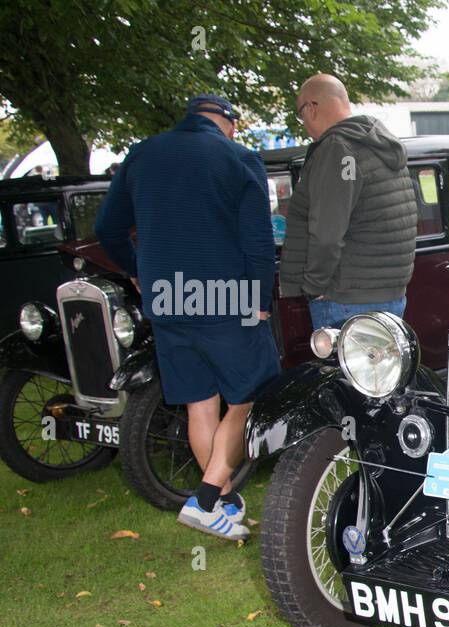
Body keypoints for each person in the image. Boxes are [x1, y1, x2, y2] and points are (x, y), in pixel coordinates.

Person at [95, 94, 278, 541]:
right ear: (226, 122)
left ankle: (224, 503)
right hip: (226, 297)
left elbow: (107, 229)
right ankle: (205, 501)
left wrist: (136, 269)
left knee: (200, 400)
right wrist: (259, 296)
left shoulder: (142, 153)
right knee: (254, 396)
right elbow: (258, 241)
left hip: (166, 298)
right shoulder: (238, 158)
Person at [279, 74, 417, 329]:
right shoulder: (377, 144)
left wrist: (313, 285)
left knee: (339, 370)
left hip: (346, 299)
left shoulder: (338, 150)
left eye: (301, 115)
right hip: (387, 292)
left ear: (311, 108)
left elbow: (327, 233)